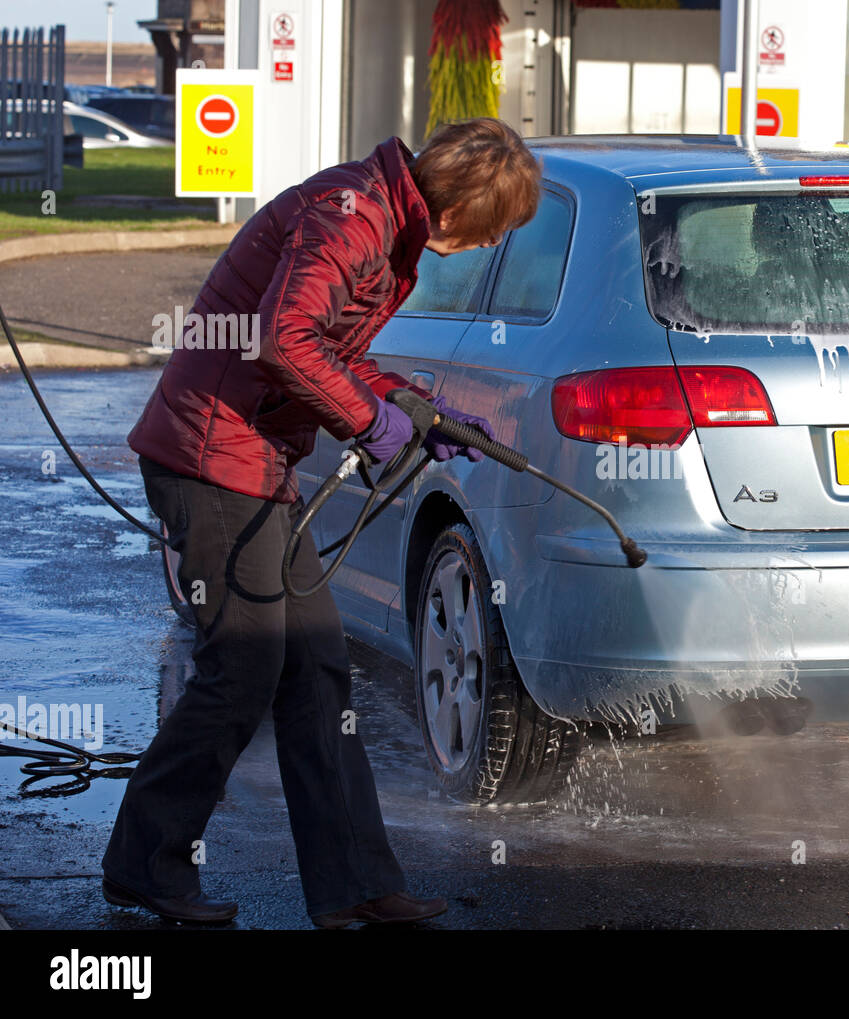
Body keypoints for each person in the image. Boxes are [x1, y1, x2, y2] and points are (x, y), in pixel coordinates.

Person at [101, 118, 541, 928]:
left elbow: (327, 347)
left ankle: (354, 883)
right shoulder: (351, 215)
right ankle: (146, 861)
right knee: (245, 666)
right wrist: (368, 424)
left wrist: (409, 402)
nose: (485, 248)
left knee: (315, 672)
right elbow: (282, 337)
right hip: (207, 456)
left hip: (253, 459)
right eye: (490, 232)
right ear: (458, 210)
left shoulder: (385, 222)